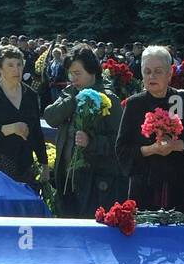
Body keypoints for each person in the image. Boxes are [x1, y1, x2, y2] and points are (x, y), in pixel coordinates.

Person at [116, 45, 184, 214]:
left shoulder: (182, 99)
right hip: (144, 191)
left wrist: (177, 145)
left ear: (169, 74)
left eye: (158, 71)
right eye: (147, 71)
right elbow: (122, 150)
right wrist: (151, 149)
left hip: (182, 190)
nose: (151, 76)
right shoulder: (134, 104)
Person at [43, 44, 125, 217]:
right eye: (70, 73)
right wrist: (73, 99)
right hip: (66, 180)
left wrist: (91, 142)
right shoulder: (70, 93)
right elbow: (50, 117)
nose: (73, 78)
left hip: (97, 186)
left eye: (77, 73)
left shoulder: (108, 99)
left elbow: (120, 144)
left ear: (92, 71)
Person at [0, 45, 48, 187]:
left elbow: (36, 132)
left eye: (19, 65)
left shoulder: (30, 95)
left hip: (24, 163)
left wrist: (44, 163)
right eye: (10, 65)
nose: (16, 70)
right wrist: (11, 128)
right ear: (0, 68)